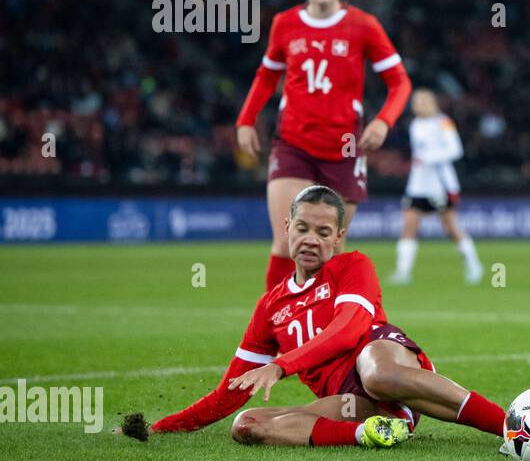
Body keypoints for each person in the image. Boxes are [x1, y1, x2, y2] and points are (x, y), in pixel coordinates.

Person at [150, 185, 506, 447]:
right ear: (287, 227)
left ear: (338, 237)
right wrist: (160, 428)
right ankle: (372, 433)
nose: (310, 239)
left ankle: (511, 426)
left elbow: (348, 331)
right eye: (302, 228)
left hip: (383, 361)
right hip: (352, 402)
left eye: (323, 232)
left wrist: (281, 364)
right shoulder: (270, 307)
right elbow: (231, 391)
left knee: (378, 373)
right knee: (247, 424)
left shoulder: (353, 266)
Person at [236, 0, 412, 291]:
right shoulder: (285, 24)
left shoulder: (363, 25)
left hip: (344, 149)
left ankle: (323, 333)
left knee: (328, 249)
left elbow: (400, 81)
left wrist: (383, 121)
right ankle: (273, 332)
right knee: (289, 244)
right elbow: (267, 75)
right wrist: (245, 120)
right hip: (293, 144)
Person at [392, 88, 483, 285]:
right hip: (417, 185)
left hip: (440, 185)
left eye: (424, 101)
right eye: (417, 102)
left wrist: (429, 158)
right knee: (408, 225)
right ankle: (403, 272)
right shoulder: (415, 124)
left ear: (433, 103)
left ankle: (474, 265)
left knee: (451, 228)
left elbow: (455, 150)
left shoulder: (443, 122)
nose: (420, 105)